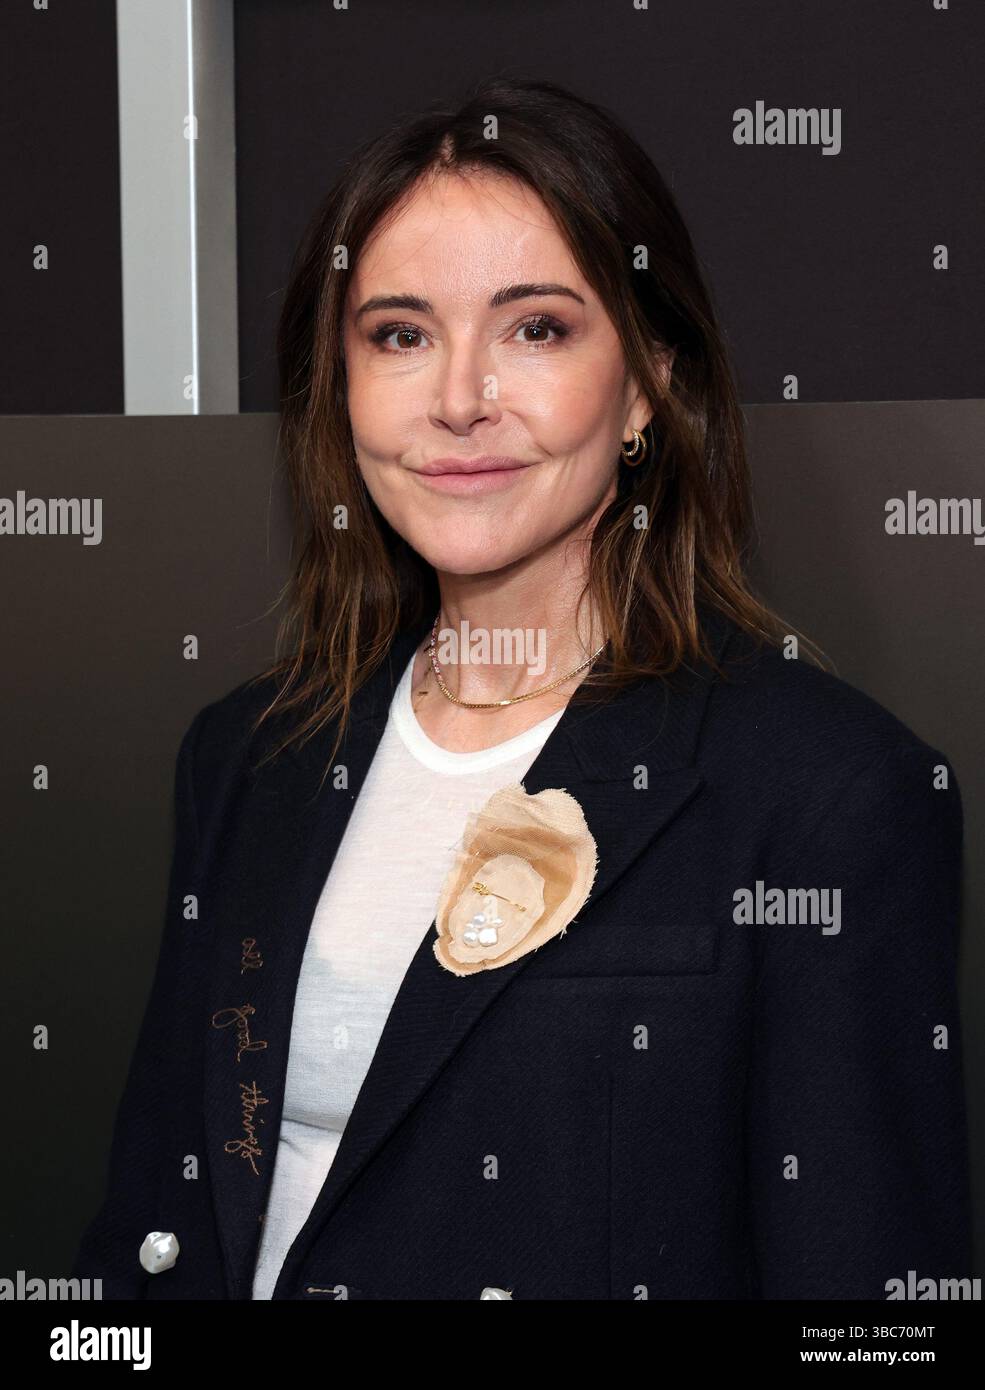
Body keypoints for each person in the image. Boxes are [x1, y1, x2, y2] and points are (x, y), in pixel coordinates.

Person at [72, 76, 972, 1301]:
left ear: (649, 381)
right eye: (399, 334)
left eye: (535, 328)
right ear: (340, 389)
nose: (456, 399)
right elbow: (149, 1225)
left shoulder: (824, 795)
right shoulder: (247, 754)